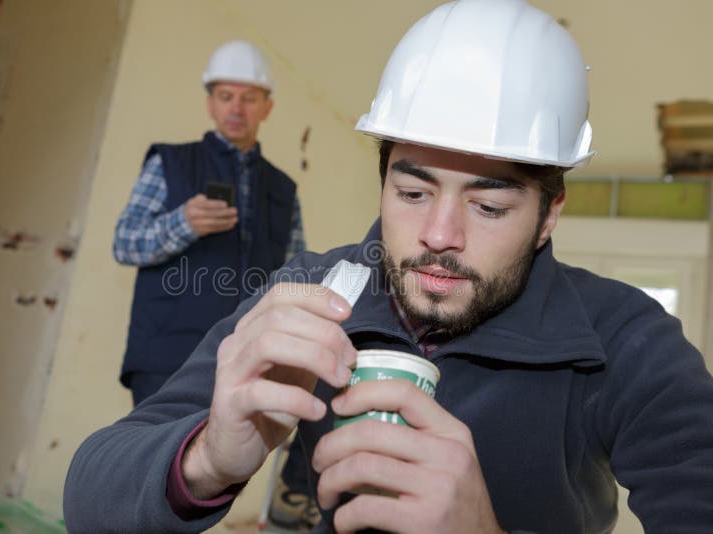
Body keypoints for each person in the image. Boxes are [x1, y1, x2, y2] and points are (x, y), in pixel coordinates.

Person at [65, 1, 713, 532]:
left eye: (488, 206)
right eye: (412, 193)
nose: (438, 235)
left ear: (547, 216)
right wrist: (205, 459)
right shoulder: (311, 293)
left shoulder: (627, 341)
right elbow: (91, 497)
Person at [113, 39, 306, 406]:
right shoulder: (170, 163)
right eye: (225, 95)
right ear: (210, 104)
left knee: (226, 463)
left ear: (267, 107)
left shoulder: (283, 189)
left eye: (249, 98)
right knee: (161, 460)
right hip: (165, 358)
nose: (236, 108)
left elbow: (293, 276)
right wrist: (183, 222)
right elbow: (124, 242)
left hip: (244, 358)